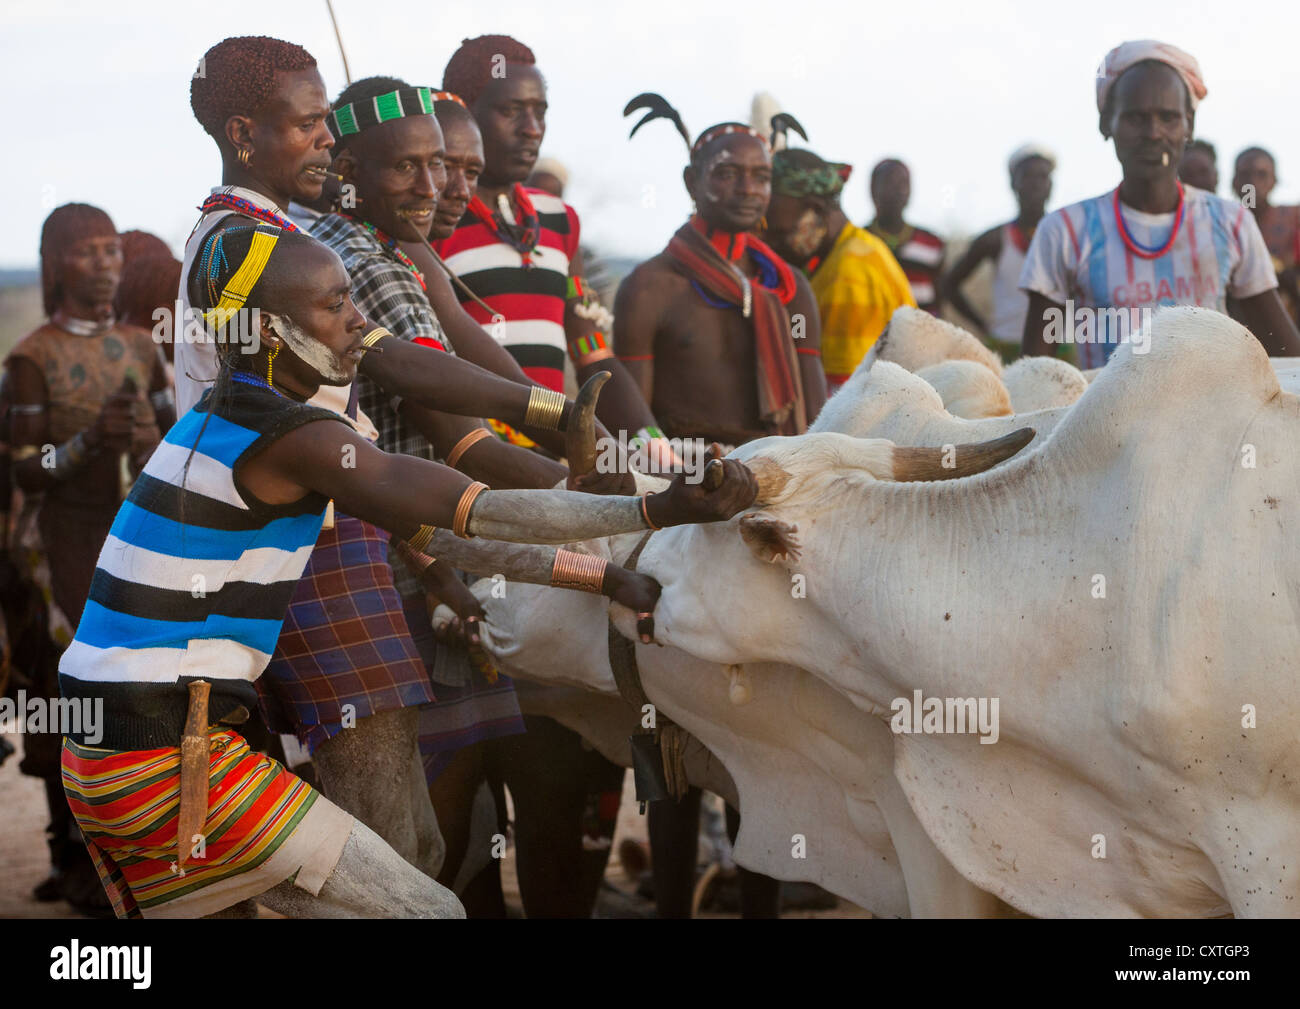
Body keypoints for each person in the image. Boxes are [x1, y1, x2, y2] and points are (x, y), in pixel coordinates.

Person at [56, 224, 759, 919]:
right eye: (333, 305)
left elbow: (464, 543)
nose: (358, 320)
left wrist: (606, 562)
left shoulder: (217, 420)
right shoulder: (296, 437)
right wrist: (656, 506)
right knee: (429, 910)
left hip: (102, 755)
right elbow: (480, 513)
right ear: (271, 331)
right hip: (168, 760)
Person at [183, 36, 591, 881]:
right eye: (307, 126)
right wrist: (555, 412)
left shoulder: (275, 236)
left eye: (328, 125)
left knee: (416, 843)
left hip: (346, 534)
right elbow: (396, 361)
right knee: (381, 851)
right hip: (305, 548)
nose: (326, 143)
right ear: (244, 134)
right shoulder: (249, 248)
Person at [614, 94, 827, 918]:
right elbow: (633, 424)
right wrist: (690, 486)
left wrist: (786, 488)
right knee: (666, 733)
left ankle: (760, 907)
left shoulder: (789, 286)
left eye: (760, 175)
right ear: (691, 182)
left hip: (771, 504)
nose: (747, 187)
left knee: (765, 740)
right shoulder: (652, 287)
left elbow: (813, 422)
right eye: (727, 173)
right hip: (677, 512)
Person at [5, 204, 171, 916]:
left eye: (111, 250)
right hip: (60, 540)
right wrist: (85, 447)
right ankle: (73, 854)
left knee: (137, 689)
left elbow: (175, 443)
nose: (105, 264)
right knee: (70, 690)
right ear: (56, 267)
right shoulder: (32, 357)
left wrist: (143, 435)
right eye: (87, 252)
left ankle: (133, 843)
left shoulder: (140, 345)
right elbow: (24, 468)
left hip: (129, 535)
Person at [436, 35, 664, 454]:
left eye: (540, 112)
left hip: (552, 453)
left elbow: (590, 351)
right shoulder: (435, 218)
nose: (531, 129)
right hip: (471, 456)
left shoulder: (558, 219)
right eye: (510, 111)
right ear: (463, 115)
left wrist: (654, 446)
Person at [1021, 40, 1300, 365]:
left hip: (1215, 415)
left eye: (1168, 117)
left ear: (1189, 125)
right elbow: (1034, 377)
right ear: (1106, 124)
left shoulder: (1229, 222)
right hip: (1108, 416)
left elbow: (1287, 355)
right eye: (1135, 118)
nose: (1153, 133)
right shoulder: (1065, 230)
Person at [763, 147, 916, 391]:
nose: (772, 247)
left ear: (815, 210)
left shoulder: (848, 275)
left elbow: (848, 400)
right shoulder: (851, 251)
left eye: (780, 235)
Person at [943, 145, 1056, 354]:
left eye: (1043, 177)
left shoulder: (1066, 235)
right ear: (1014, 183)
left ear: (1051, 185)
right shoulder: (995, 239)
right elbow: (949, 284)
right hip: (1007, 348)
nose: (1036, 185)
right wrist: (983, 325)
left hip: (1057, 348)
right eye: (1028, 176)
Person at [867, 159, 946, 314]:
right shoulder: (858, 242)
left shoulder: (932, 244)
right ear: (873, 189)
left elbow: (938, 301)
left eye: (904, 183)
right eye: (890, 183)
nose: (899, 190)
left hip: (921, 335)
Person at [1232, 147, 1300, 324]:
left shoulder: (1293, 218)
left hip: (1286, 326)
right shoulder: (1219, 224)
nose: (1252, 182)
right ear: (1234, 182)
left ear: (1274, 181)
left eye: (1261, 174)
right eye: (1245, 174)